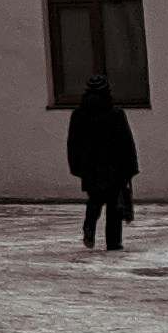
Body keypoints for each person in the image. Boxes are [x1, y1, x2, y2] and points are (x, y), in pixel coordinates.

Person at [66, 73, 138, 252]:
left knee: (95, 200)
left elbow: (72, 143)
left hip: (89, 168)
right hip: (114, 168)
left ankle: (89, 226)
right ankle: (113, 243)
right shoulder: (116, 114)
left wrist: (76, 167)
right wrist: (130, 168)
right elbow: (126, 143)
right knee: (114, 206)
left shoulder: (78, 115)